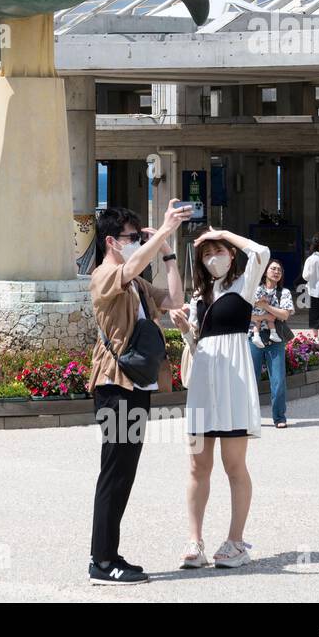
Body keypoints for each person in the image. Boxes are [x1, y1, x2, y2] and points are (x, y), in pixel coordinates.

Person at [87, 199, 190, 586]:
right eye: (133, 237)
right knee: (114, 472)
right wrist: (163, 230)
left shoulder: (135, 283)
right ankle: (101, 560)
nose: (137, 242)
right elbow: (129, 267)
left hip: (137, 385)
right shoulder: (103, 276)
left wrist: (168, 256)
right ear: (113, 241)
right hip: (115, 386)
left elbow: (174, 300)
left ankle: (109, 554)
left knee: (124, 472)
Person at [170, 228, 270, 571]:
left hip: (234, 383)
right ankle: (194, 541)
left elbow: (262, 251)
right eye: (207, 252)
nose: (214, 257)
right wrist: (184, 327)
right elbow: (197, 345)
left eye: (220, 250)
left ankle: (235, 541)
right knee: (198, 465)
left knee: (234, 465)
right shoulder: (200, 294)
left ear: (230, 252)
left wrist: (224, 232)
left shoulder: (244, 284)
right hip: (204, 381)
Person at [249, 259, 295, 428]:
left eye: (279, 270)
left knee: (278, 379)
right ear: (265, 271)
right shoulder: (254, 290)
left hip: (275, 339)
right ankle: (250, 418)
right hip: (254, 336)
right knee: (251, 379)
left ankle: (279, 417)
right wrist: (266, 317)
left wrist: (264, 306)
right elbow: (245, 314)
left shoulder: (284, 292)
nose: (276, 272)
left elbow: (284, 315)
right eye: (273, 268)